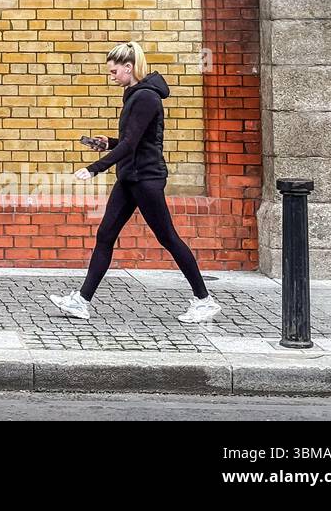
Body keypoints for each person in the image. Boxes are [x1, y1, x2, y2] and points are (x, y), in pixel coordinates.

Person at [49, 40, 221, 324]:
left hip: (146, 179)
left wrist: (94, 169)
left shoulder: (146, 98)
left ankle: (204, 300)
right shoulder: (134, 94)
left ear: (129, 68)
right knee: (105, 235)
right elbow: (131, 141)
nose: (111, 76)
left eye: (114, 71)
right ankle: (81, 301)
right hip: (130, 177)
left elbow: (132, 145)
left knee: (168, 237)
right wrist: (108, 144)